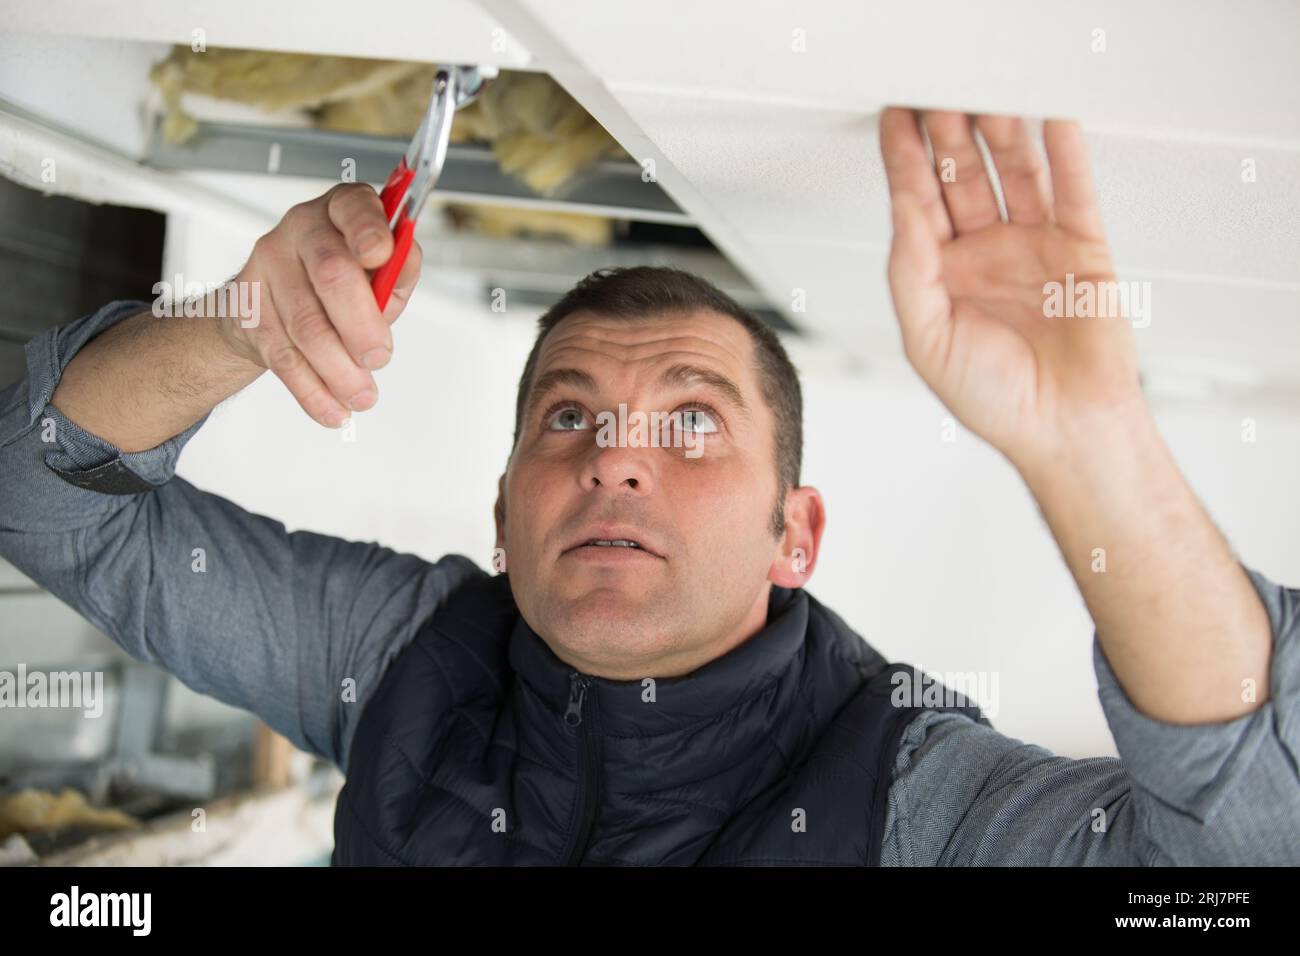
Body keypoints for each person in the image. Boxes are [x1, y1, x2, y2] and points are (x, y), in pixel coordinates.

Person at [0, 108, 1295, 865]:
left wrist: (1090, 441)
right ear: (504, 517)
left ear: (799, 535)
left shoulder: (910, 798)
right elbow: (42, 496)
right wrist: (232, 322)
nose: (615, 454)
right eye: (569, 414)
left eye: (690, 419)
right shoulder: (404, 657)